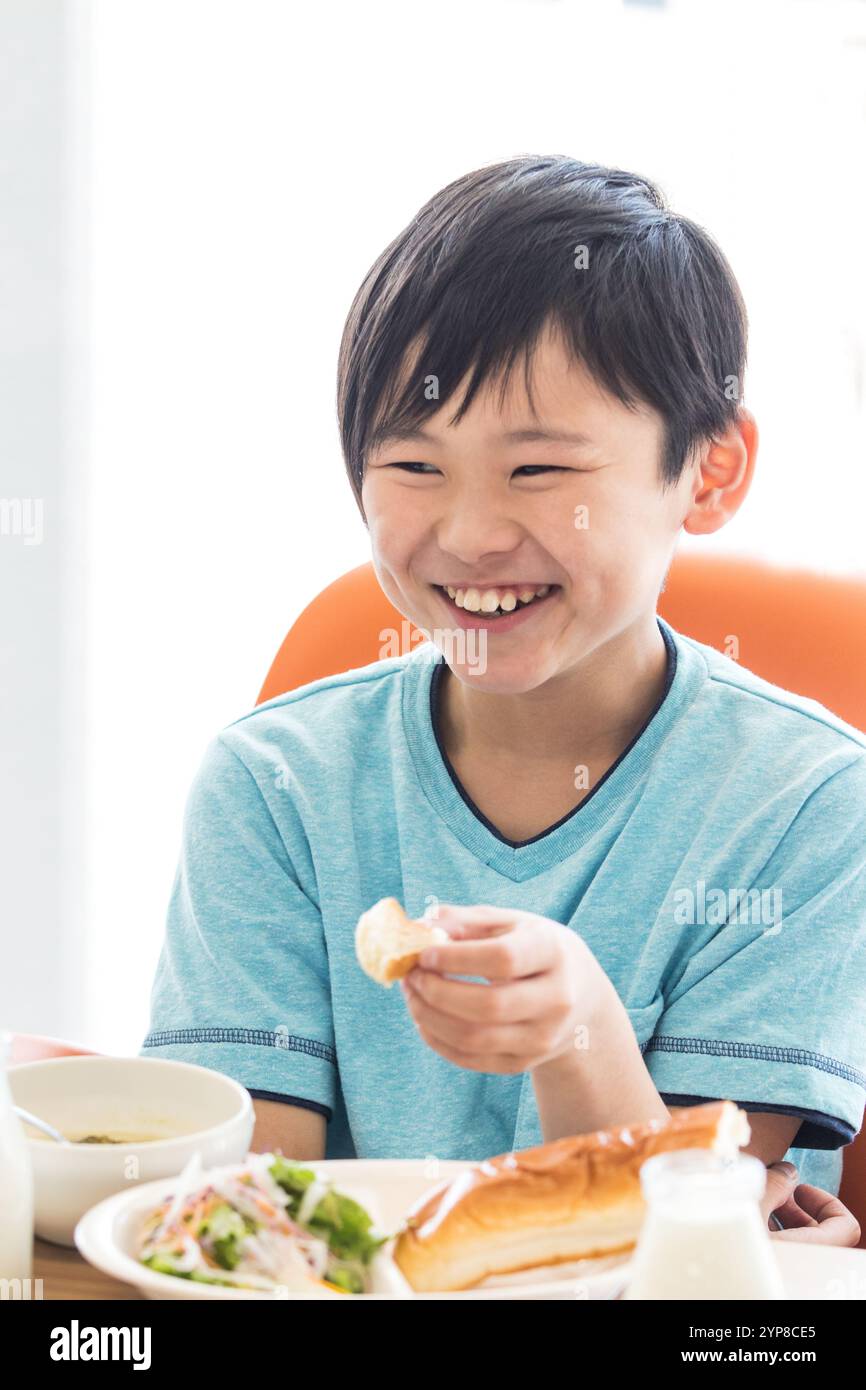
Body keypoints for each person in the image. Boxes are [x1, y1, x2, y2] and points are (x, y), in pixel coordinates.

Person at [141, 156, 865, 1247]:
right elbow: (254, 1221)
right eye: (412, 465)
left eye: (536, 472)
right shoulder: (274, 784)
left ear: (708, 470)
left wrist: (575, 1025)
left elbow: (669, 1245)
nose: (471, 534)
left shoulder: (808, 800)